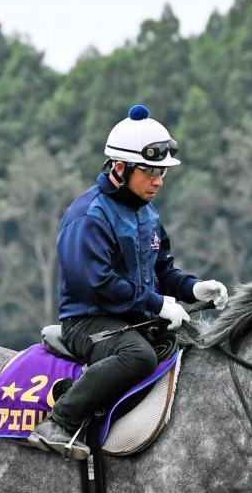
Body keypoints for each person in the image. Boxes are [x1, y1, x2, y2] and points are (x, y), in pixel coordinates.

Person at [28, 104, 229, 460]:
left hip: (132, 319)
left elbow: (162, 271)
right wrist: (157, 304)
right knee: (139, 357)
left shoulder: (146, 213)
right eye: (150, 171)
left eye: (162, 172)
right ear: (120, 168)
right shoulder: (88, 215)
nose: (158, 181)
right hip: (87, 322)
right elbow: (99, 285)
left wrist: (193, 288)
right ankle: (59, 422)